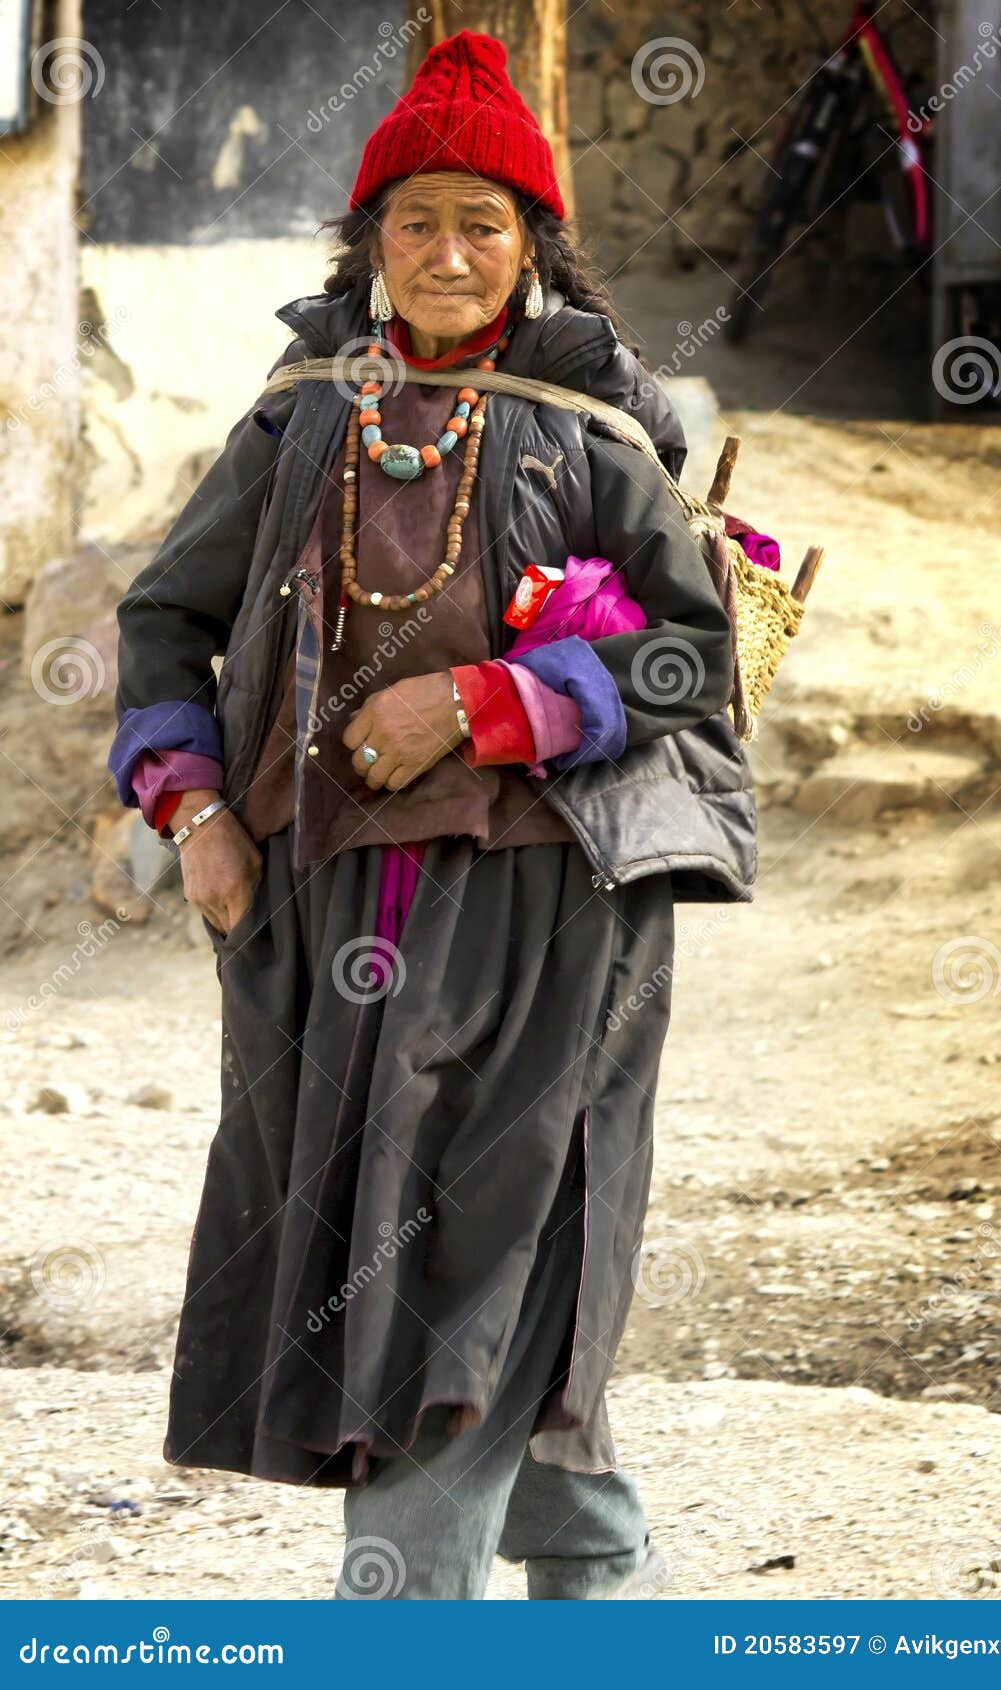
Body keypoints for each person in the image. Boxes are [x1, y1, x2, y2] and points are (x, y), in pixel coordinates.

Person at [108, 28, 756, 1600]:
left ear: (532, 244)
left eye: (485, 221)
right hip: (321, 911)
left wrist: (476, 707)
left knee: (480, 1238)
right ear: (367, 238)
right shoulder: (305, 410)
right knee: (382, 1242)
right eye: (416, 220)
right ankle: (602, 1592)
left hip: (548, 911)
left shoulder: (595, 420)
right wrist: (191, 804)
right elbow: (161, 614)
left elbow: (688, 655)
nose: (448, 254)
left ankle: (397, 1617)